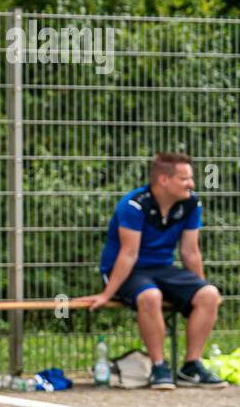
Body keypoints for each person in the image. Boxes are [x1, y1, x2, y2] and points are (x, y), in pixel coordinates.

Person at [84, 152, 226, 389]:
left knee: (209, 294)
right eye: (185, 179)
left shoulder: (192, 203)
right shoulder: (134, 205)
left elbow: (190, 252)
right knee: (151, 296)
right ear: (164, 181)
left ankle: (191, 368)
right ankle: (159, 367)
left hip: (163, 268)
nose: (191, 184)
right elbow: (129, 254)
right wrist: (107, 294)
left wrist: (198, 291)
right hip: (128, 269)